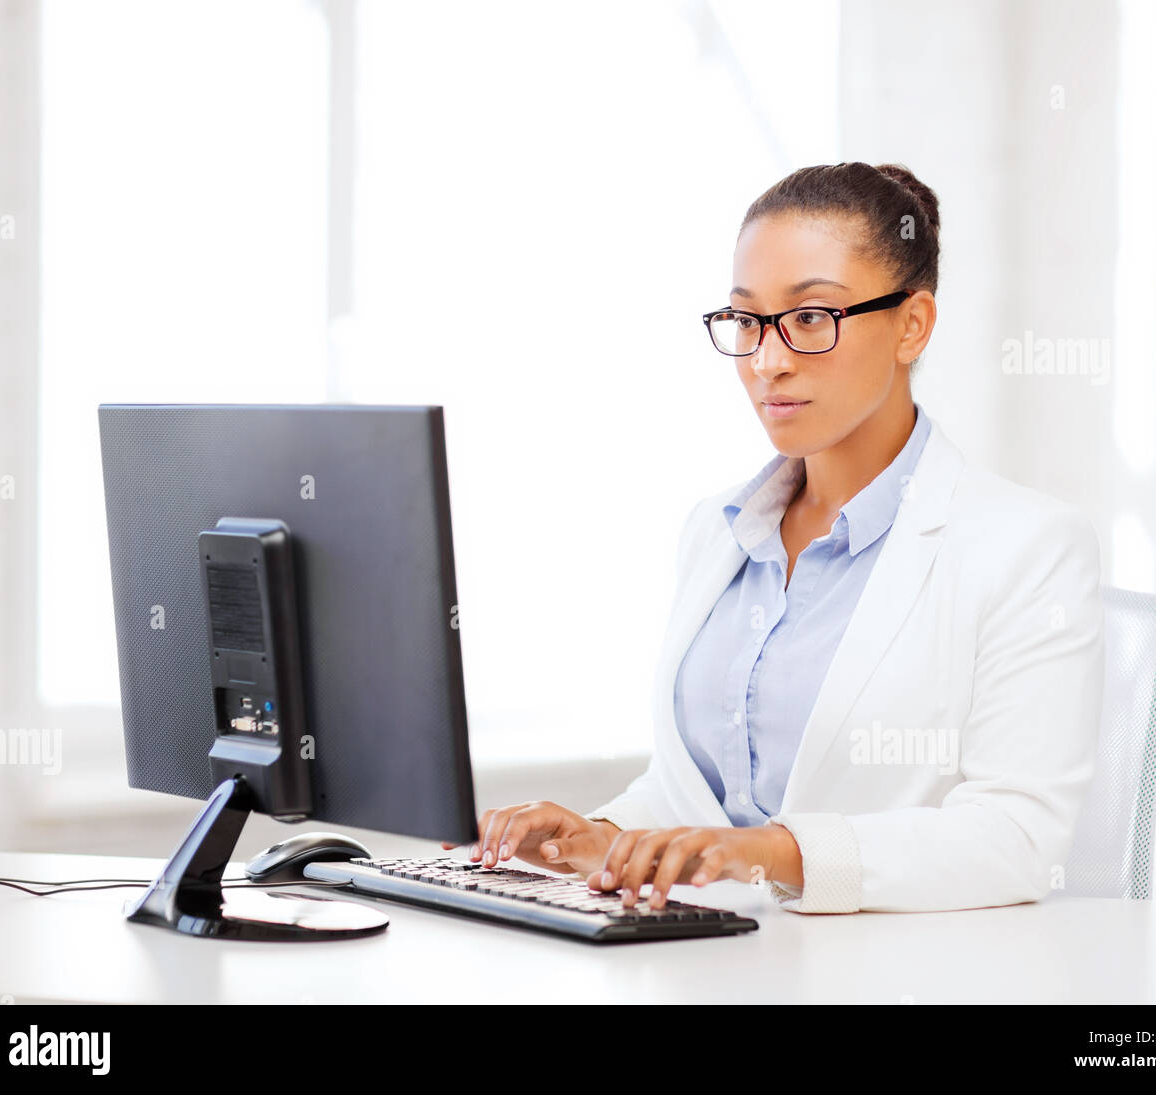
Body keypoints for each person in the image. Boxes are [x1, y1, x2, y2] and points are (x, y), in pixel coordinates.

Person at [443, 162, 1105, 914]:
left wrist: (773, 853)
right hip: (719, 966)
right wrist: (600, 836)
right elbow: (697, 792)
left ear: (912, 324)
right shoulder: (718, 531)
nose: (768, 360)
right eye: (748, 321)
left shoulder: (1029, 548)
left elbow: (1013, 839)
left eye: (812, 318)